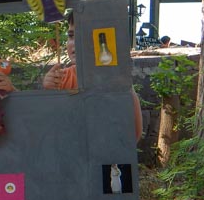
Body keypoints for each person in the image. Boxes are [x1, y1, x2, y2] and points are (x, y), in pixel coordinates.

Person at [43, 11, 143, 139]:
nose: (75, 42)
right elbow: (50, 129)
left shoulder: (116, 80)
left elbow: (133, 134)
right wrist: (48, 91)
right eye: (71, 35)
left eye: (85, 35)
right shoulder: (61, 78)